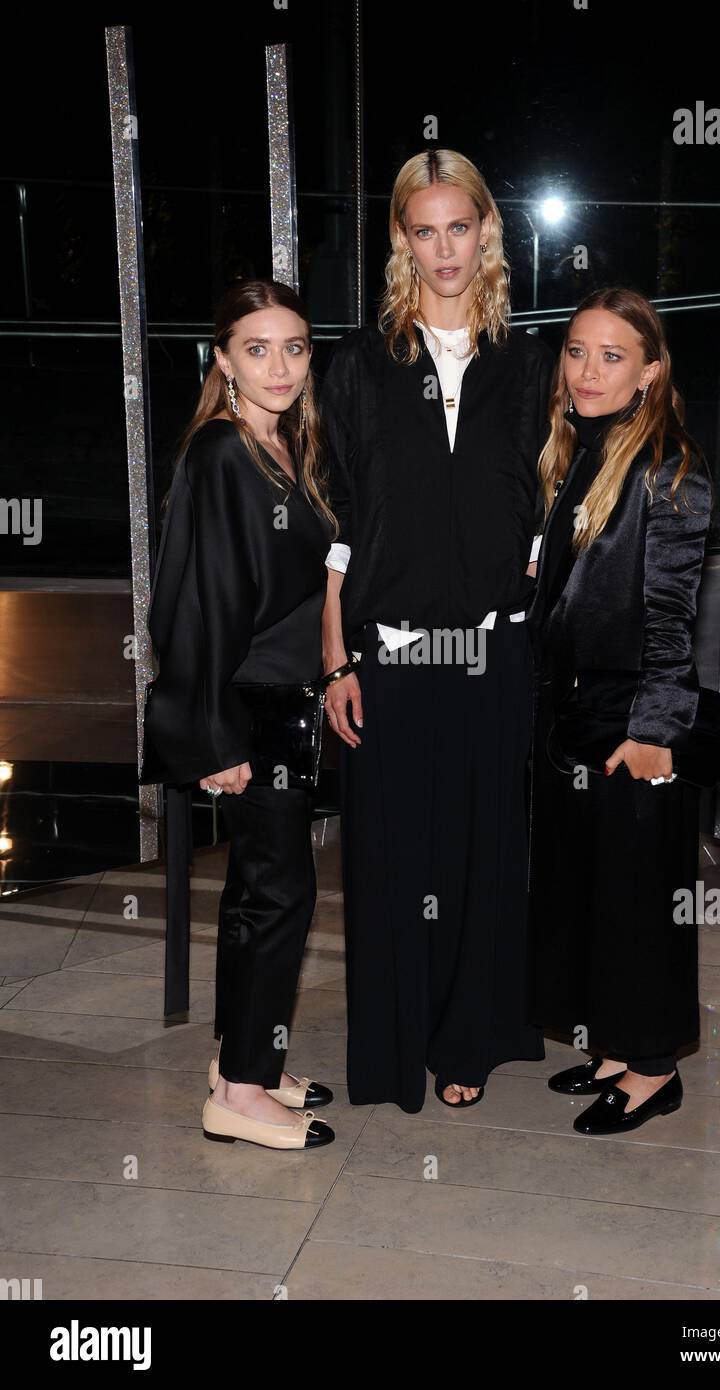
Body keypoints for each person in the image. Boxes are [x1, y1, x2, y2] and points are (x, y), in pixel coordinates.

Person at [319, 149, 553, 1114]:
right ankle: (393, 1042)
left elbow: (546, 506)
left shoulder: (529, 363)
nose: (445, 247)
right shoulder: (362, 366)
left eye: (461, 227)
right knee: (389, 859)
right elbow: (339, 526)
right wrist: (335, 658)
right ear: (401, 242)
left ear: (486, 233)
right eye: (425, 230)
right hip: (394, 653)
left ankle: (466, 1039)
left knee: (480, 853)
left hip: (493, 652)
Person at [142, 278, 337, 1151]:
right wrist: (212, 736)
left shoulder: (285, 446)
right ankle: (243, 1093)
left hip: (280, 699)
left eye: (294, 347)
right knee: (278, 895)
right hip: (249, 706)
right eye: (256, 349)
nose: (280, 365)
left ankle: (240, 1059)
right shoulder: (223, 452)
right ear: (222, 361)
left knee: (261, 894)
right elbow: (193, 605)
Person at [527, 286, 712, 1135]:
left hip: (633, 721)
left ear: (649, 372)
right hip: (576, 716)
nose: (588, 370)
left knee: (640, 903)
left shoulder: (668, 465)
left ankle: (651, 1067)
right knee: (591, 895)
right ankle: (609, 1046)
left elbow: (671, 614)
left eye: (611, 356)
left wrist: (654, 731)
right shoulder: (580, 453)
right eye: (576, 351)